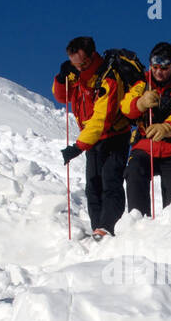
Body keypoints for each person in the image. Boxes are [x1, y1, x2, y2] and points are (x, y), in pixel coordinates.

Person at [52, 37, 131, 237]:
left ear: (90, 57)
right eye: (73, 64)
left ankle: (108, 227)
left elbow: (101, 119)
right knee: (93, 186)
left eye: (81, 63)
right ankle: (97, 228)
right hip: (92, 139)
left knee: (110, 181)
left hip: (114, 136)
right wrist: (62, 78)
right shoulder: (77, 76)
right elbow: (62, 96)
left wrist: (78, 147)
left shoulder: (108, 78)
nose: (77, 68)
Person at [120, 42, 171, 216]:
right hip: (145, 147)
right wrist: (140, 103)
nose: (158, 72)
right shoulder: (142, 85)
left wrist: (167, 127)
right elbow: (126, 106)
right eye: (155, 67)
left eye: (164, 68)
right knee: (134, 173)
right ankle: (137, 223)